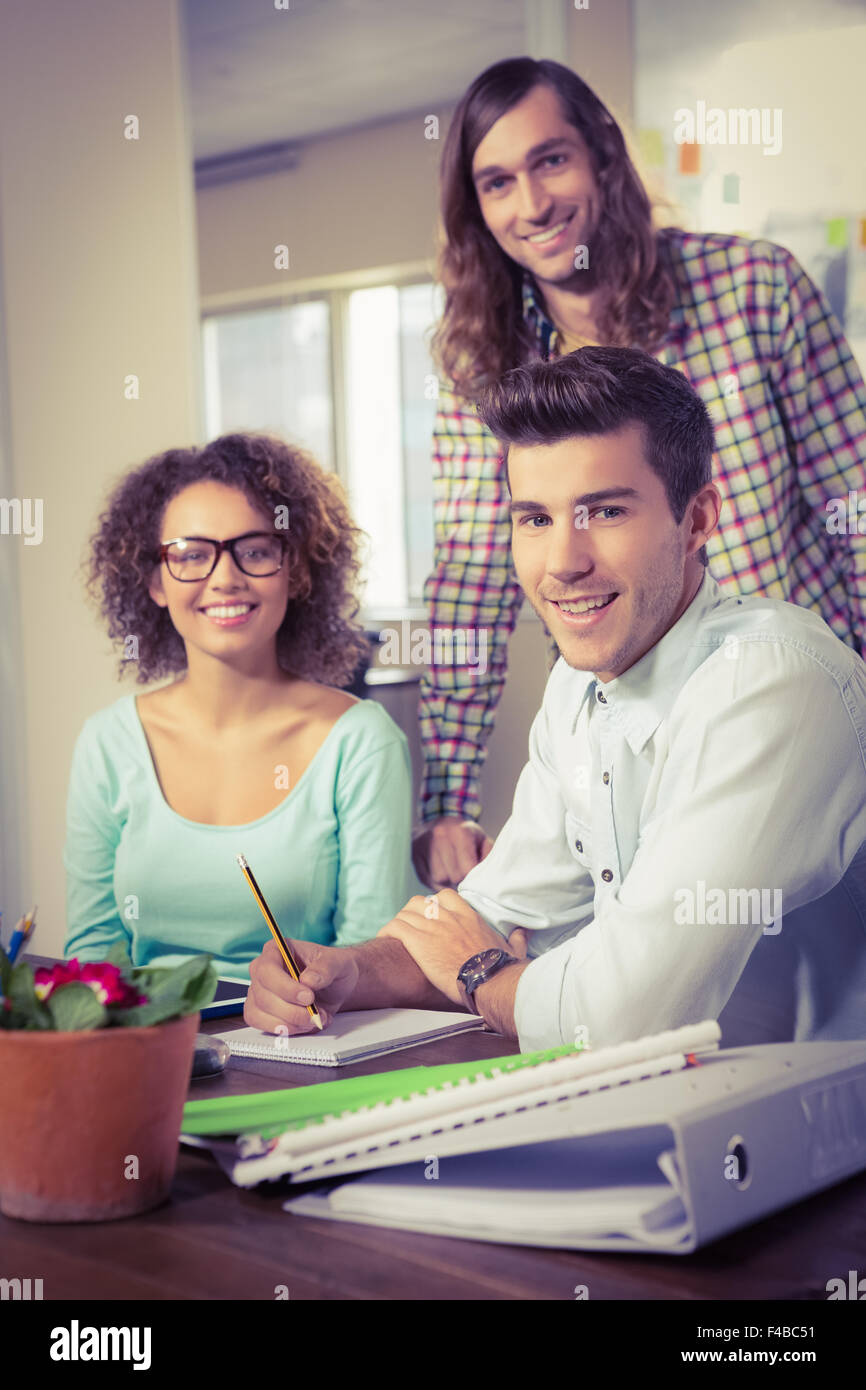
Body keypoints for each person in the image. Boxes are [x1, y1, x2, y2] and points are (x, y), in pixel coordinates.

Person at [244, 349, 866, 1051]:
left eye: (604, 511)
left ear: (697, 521)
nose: (564, 562)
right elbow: (486, 911)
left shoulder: (774, 682)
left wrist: (482, 970)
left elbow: (620, 1020)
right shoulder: (578, 685)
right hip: (660, 1111)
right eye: (535, 519)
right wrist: (347, 972)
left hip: (814, 1135)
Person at [412, 56, 866, 892]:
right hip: (624, 748)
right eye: (497, 182)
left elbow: (858, 510)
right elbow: (470, 584)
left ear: (604, 158)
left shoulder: (755, 287)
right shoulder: (482, 362)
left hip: (795, 726)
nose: (533, 203)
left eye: (551, 160)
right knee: (643, 999)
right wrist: (447, 799)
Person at [64, 433, 412, 975]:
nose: (225, 579)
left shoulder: (363, 741)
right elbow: (93, 962)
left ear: (295, 571)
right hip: (145, 1046)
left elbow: (365, 966)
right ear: (155, 580)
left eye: (254, 551)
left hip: (305, 1044)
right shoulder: (107, 742)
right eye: (191, 555)